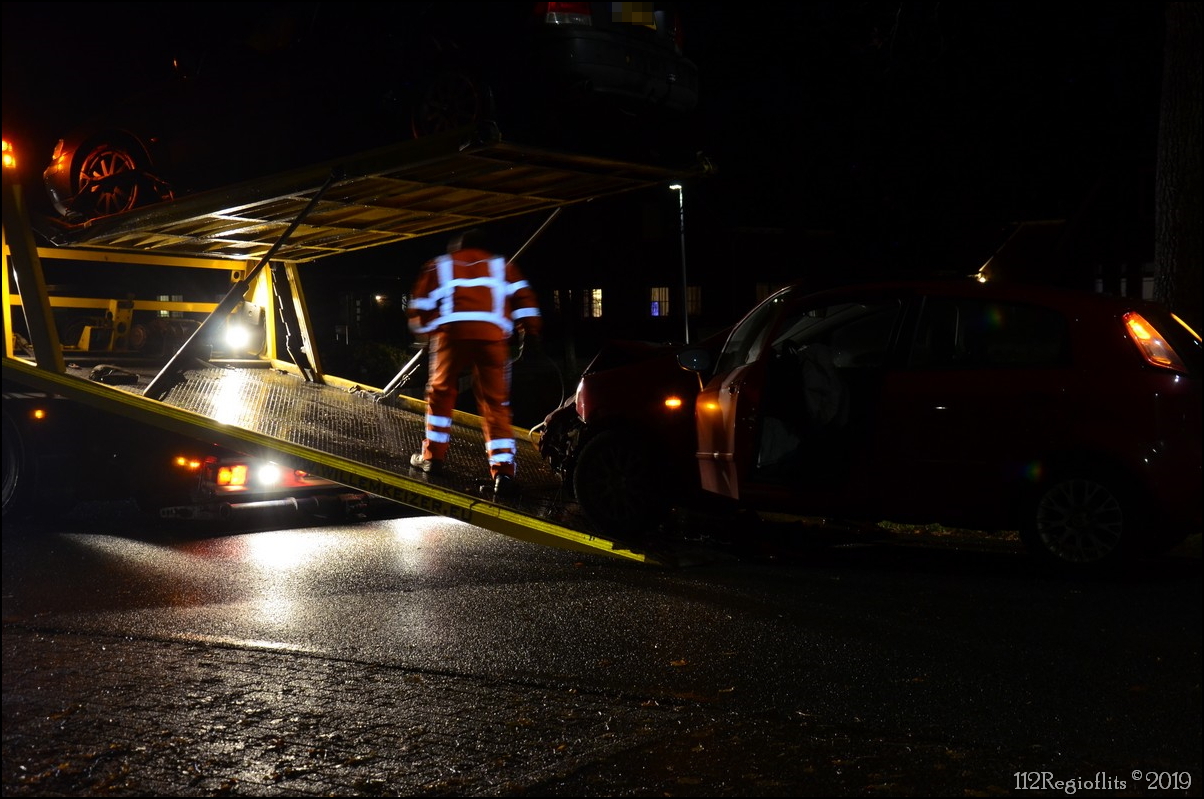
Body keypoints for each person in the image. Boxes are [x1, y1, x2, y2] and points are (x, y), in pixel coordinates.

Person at [406, 228, 542, 498]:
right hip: (492, 339)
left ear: (457, 247)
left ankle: (432, 458)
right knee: (495, 405)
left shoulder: (440, 265)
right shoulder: (502, 267)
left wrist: (425, 331)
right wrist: (531, 331)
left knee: (441, 394)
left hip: (451, 337)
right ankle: (503, 472)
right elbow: (525, 301)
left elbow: (420, 305)